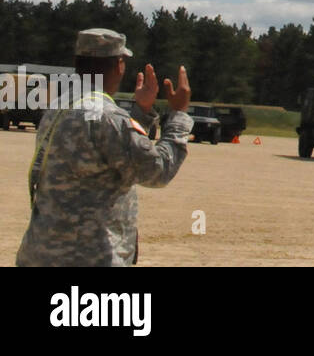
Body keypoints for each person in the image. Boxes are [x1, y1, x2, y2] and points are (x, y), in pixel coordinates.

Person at [15, 28, 193, 267]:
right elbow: (157, 171)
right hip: (88, 258)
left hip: (43, 254)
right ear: (119, 64)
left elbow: (107, 150)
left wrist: (140, 111)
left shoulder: (61, 106)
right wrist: (179, 115)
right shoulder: (108, 117)